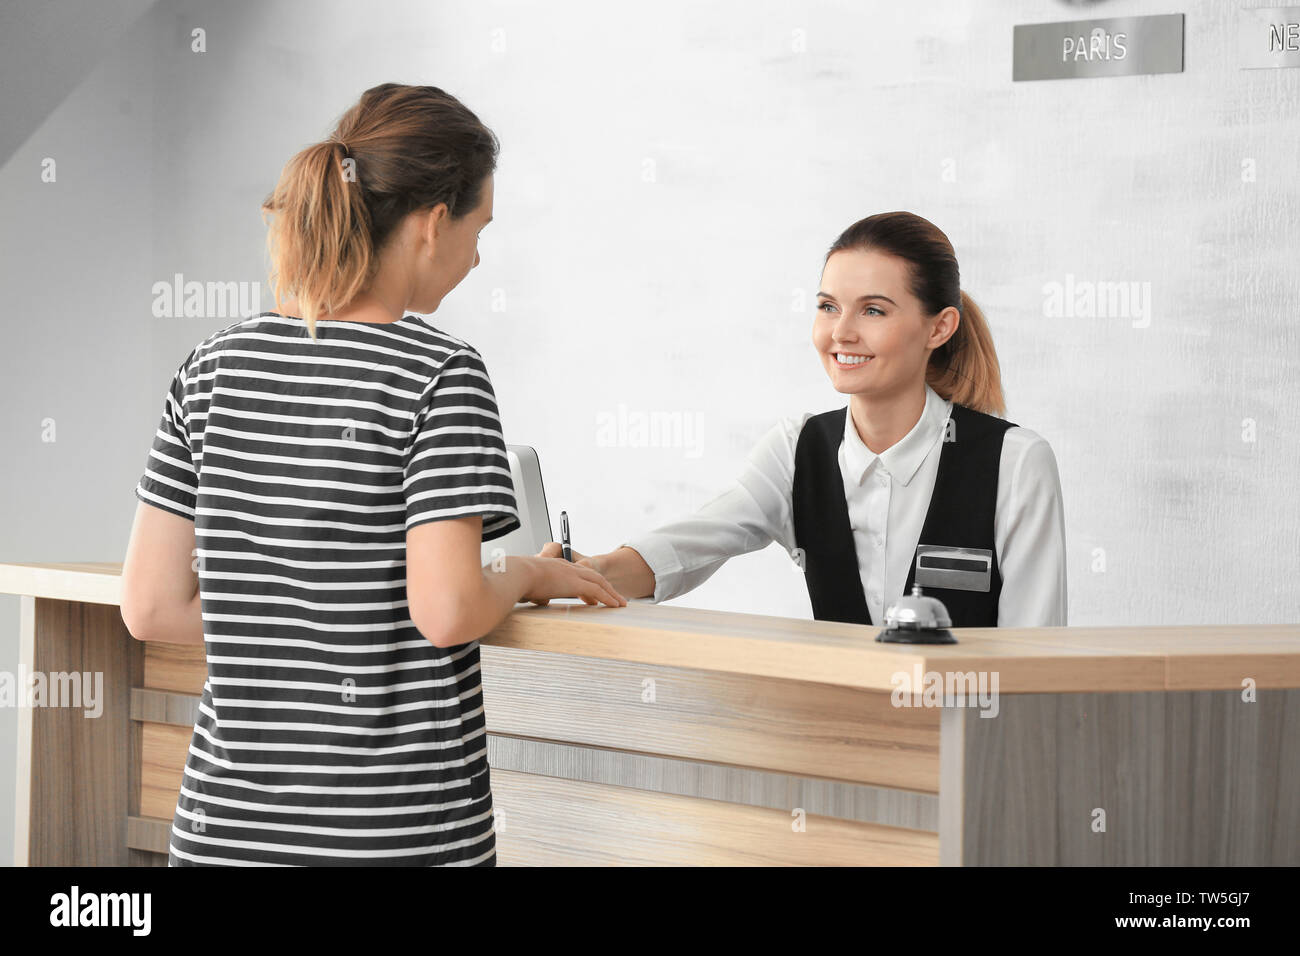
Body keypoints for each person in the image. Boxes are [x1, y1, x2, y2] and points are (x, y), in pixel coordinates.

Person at [119, 83, 625, 867]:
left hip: (224, 829)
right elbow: (448, 609)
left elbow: (152, 606)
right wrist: (525, 572)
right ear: (432, 224)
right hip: (393, 837)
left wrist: (302, 636)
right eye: (479, 226)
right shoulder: (439, 372)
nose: (479, 253)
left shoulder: (212, 366)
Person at [545, 211, 1067, 628]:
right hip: (837, 743)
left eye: (874, 311)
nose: (841, 333)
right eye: (827, 306)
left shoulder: (1016, 464)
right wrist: (587, 573)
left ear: (940, 328)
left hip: (975, 751)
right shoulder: (797, 450)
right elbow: (694, 543)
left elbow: (1036, 664)